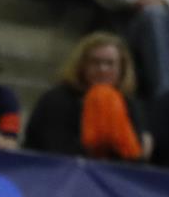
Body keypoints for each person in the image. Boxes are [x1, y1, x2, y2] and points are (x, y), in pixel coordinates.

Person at [22, 32, 149, 161]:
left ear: (122, 69)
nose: (102, 69)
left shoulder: (128, 103)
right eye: (95, 62)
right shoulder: (56, 100)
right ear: (82, 66)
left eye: (110, 63)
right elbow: (58, 151)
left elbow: (134, 159)